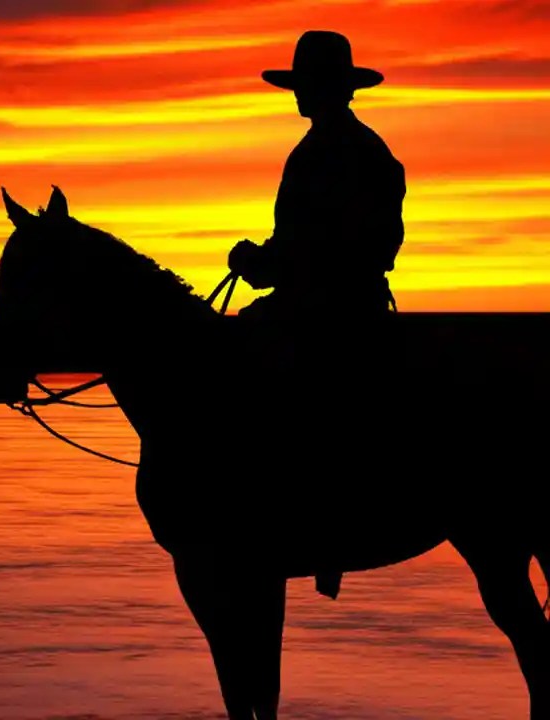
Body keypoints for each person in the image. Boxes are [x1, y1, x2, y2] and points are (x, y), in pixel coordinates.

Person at [229, 31, 407, 601]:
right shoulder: (352, 150)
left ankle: (306, 522)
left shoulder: (337, 153)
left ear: (326, 88)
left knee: (275, 388)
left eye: (305, 85)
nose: (299, 94)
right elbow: (309, 244)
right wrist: (267, 261)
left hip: (335, 310)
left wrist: (263, 263)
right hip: (329, 302)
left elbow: (331, 246)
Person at [231, 30, 405, 325]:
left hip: (322, 312)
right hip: (358, 305)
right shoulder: (367, 149)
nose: (299, 93)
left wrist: (257, 262)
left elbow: (315, 248)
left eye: (307, 84)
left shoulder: (320, 154)